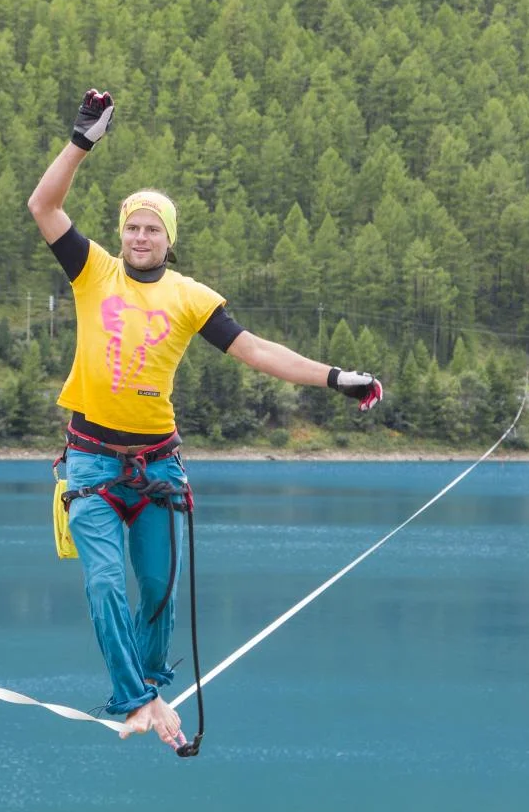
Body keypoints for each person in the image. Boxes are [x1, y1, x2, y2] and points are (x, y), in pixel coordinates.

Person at [28, 88, 384, 746]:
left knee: (159, 589)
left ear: (169, 237)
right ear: (121, 232)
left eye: (152, 228)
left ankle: (152, 691)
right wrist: (81, 143)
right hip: (91, 460)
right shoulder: (92, 271)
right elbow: (42, 206)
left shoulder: (191, 297)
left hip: (158, 464)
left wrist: (336, 377)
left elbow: (257, 351)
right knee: (106, 582)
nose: (139, 236)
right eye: (132, 225)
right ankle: (134, 701)